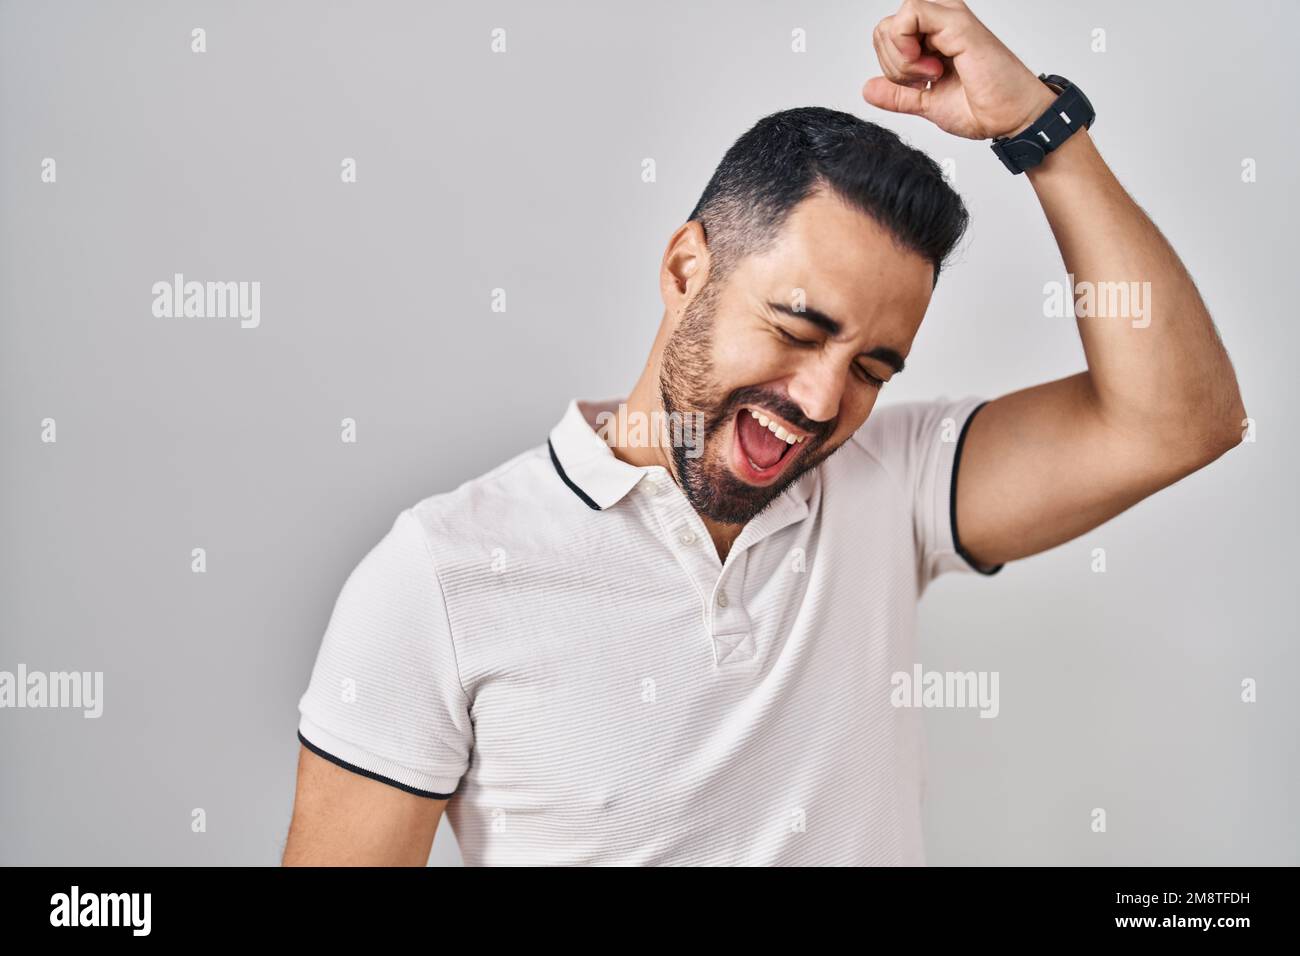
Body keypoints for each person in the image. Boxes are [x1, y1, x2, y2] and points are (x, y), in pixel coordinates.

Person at [282, 0, 1246, 865]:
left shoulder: (890, 482)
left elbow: (1180, 421)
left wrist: (1046, 133)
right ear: (685, 269)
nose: (824, 402)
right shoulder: (442, 576)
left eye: (874, 367)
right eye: (798, 329)